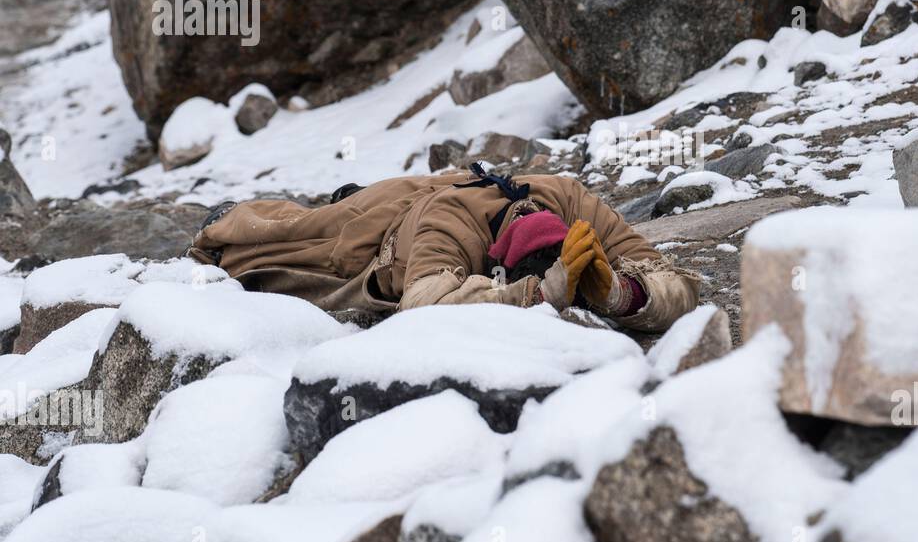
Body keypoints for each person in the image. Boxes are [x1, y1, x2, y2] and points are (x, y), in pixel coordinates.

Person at [187, 164, 699, 332]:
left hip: (441, 192)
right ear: (495, 265)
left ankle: (351, 195)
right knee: (296, 243)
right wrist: (535, 297)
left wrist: (621, 294)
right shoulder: (453, 226)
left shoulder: (569, 200)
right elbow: (422, 301)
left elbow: (674, 282)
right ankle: (229, 218)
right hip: (391, 234)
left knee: (349, 206)